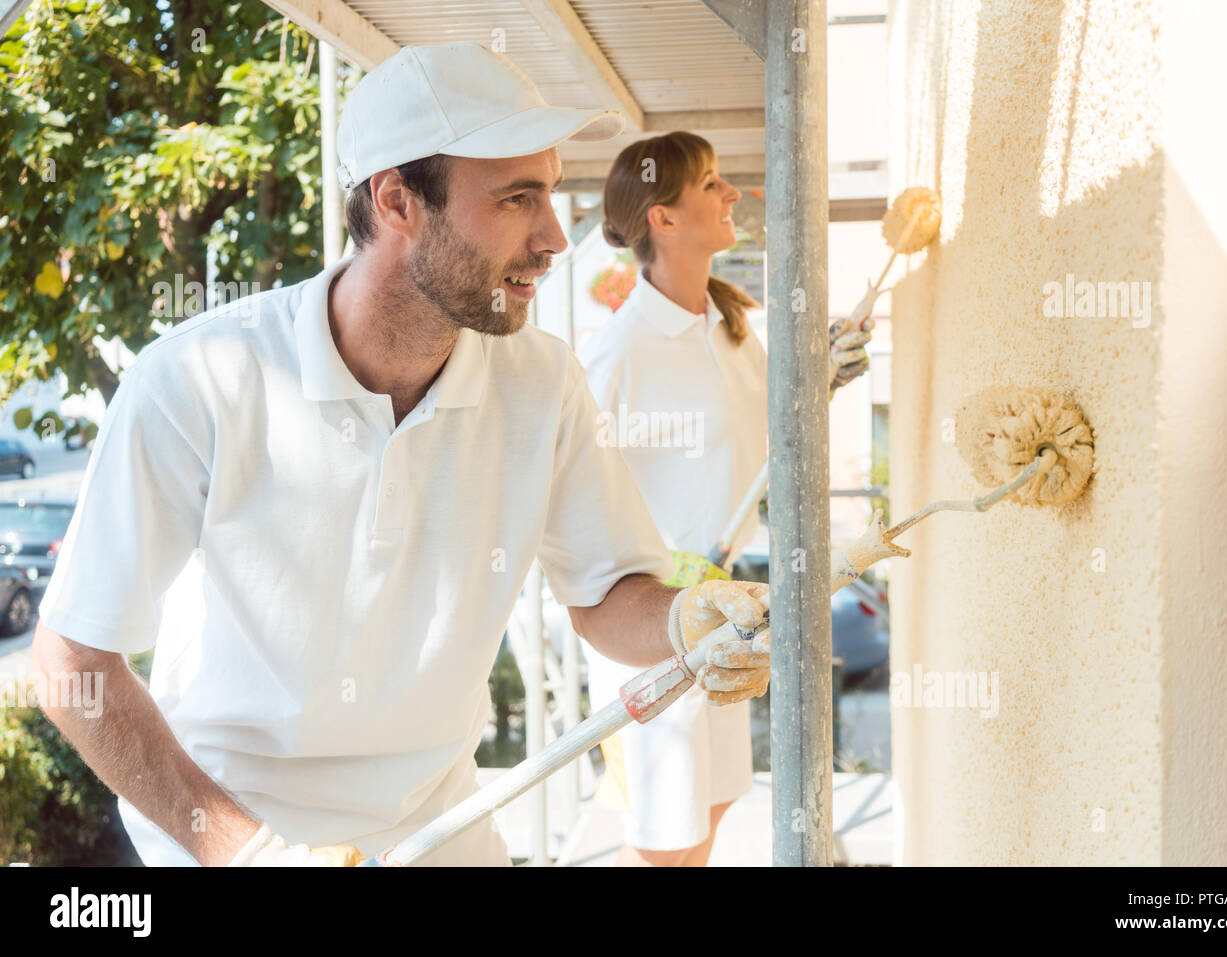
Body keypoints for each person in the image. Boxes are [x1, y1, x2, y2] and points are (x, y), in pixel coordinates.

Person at [30, 43, 771, 867]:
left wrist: (683, 620)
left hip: (439, 828)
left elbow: (606, 591)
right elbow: (72, 657)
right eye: (518, 199)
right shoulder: (201, 375)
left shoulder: (543, 381)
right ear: (397, 202)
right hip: (222, 832)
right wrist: (246, 852)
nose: (555, 237)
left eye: (550, 194)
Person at [579, 131, 870, 866]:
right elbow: (571, 494)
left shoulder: (733, 329)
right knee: (659, 842)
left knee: (707, 812)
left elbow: (773, 442)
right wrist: (656, 558)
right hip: (649, 627)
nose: (732, 193)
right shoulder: (618, 353)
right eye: (711, 183)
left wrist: (820, 380)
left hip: (720, 611)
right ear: (663, 219)